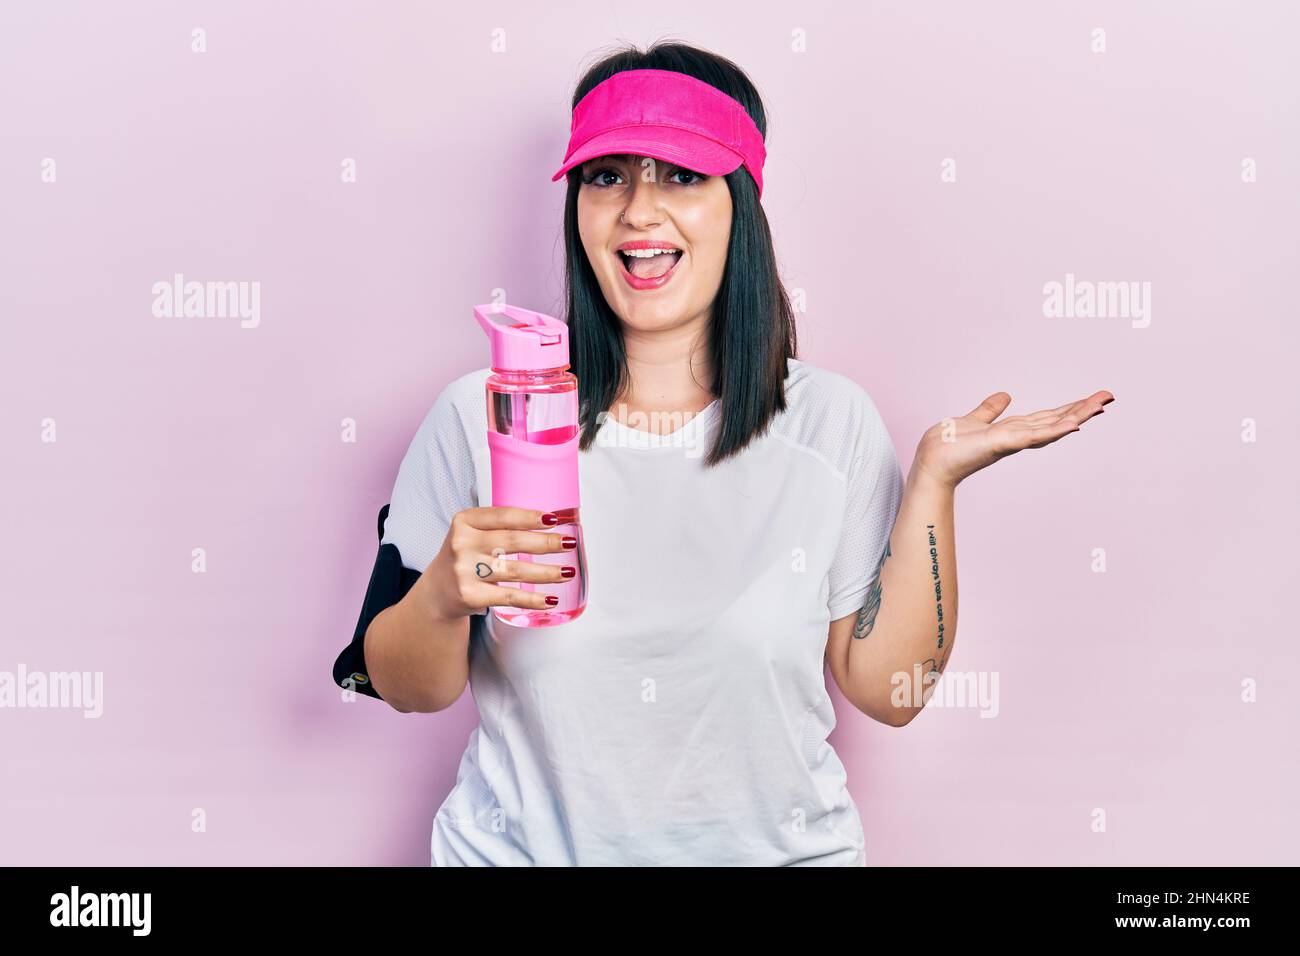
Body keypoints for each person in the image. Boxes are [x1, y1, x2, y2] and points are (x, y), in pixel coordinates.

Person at [332, 40, 1114, 866]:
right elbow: (406, 687)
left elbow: (890, 692)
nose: (638, 211)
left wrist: (934, 485)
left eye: (680, 174)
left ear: (741, 201)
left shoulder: (831, 425)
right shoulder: (483, 415)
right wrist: (445, 597)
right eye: (607, 177)